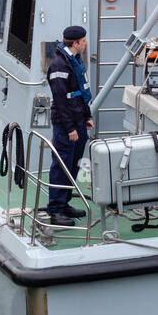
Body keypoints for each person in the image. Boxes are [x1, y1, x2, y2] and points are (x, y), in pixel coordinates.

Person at [46, 25, 95, 227]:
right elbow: (60, 101)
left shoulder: (74, 62)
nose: (85, 44)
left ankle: (64, 202)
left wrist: (87, 116)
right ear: (75, 43)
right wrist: (70, 129)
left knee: (73, 164)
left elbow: (80, 91)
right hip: (67, 125)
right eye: (83, 41)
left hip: (78, 121)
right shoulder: (59, 67)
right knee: (61, 165)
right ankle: (55, 209)